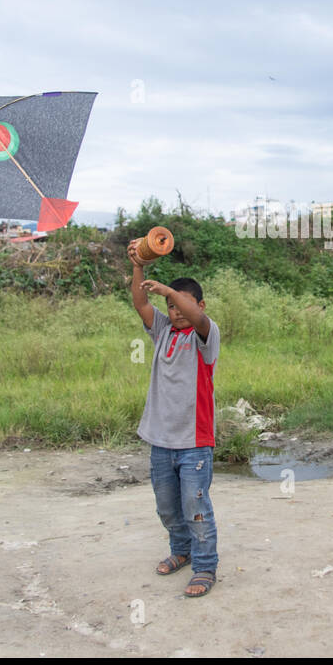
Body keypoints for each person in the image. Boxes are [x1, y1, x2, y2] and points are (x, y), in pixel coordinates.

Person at [128, 239, 221, 597]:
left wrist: (170, 289)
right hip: (160, 441)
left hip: (194, 443)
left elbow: (196, 319)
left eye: (181, 304)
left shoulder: (205, 337)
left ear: (200, 305)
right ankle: (180, 551)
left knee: (196, 508)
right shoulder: (163, 330)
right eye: (170, 305)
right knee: (167, 508)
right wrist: (139, 264)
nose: (176, 311)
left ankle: (205, 567)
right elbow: (140, 301)